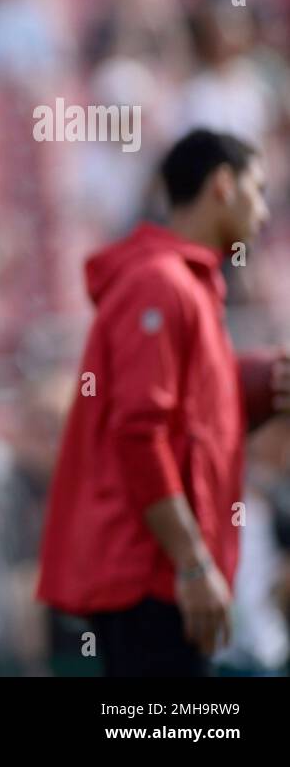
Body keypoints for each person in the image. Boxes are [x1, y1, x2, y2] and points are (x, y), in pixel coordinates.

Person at [37, 129, 288, 677]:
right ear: (224, 185)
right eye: (259, 189)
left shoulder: (181, 284)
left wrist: (267, 380)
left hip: (155, 571)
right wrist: (194, 563)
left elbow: (189, 414)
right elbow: (139, 432)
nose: (266, 212)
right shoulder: (162, 284)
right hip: (150, 573)